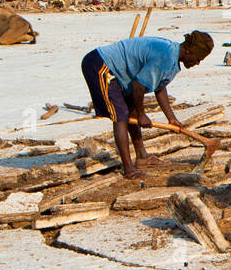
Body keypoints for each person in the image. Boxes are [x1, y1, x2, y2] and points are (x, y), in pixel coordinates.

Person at [82, 31, 214, 179]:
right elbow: (138, 86)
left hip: (118, 74)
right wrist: (142, 115)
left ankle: (142, 157)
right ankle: (129, 170)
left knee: (131, 110)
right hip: (101, 65)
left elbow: (159, 87)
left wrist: (171, 118)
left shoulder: (172, 58)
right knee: (120, 115)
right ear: (189, 51)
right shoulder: (166, 56)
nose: (197, 63)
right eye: (198, 58)